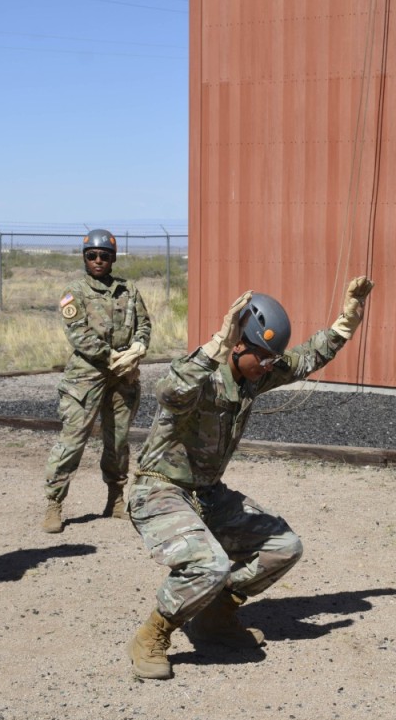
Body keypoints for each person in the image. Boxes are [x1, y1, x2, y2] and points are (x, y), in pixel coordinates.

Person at [126, 276, 374, 680]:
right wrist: (212, 348)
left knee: (284, 546)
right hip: (159, 489)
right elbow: (168, 392)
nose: (270, 365)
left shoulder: (252, 376)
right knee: (210, 564)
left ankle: (214, 618)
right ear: (238, 344)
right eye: (264, 356)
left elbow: (305, 358)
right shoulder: (202, 375)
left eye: (272, 360)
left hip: (207, 495)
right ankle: (153, 634)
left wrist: (346, 324)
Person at [41, 229, 151, 533]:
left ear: (113, 259)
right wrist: (112, 357)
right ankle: (54, 503)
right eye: (93, 256)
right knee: (72, 441)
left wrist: (139, 346)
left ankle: (116, 499)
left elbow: (144, 324)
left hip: (123, 379)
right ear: (85, 258)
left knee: (117, 441)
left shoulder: (127, 290)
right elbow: (78, 334)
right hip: (85, 378)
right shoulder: (73, 292)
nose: (98, 260)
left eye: (104, 256)